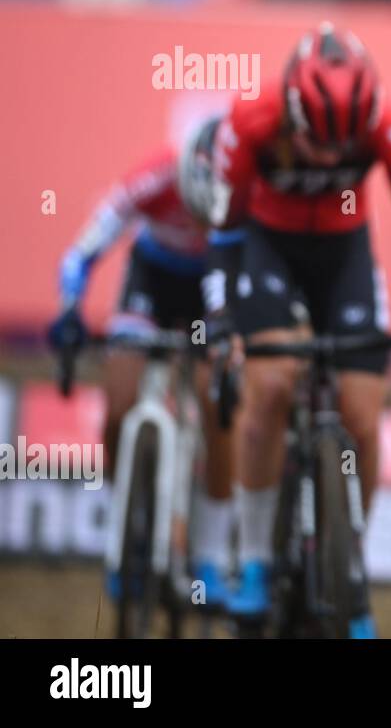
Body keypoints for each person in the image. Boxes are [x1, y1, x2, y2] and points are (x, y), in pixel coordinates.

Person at [205, 22, 391, 636]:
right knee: (270, 387)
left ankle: (351, 559)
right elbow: (223, 236)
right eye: (315, 142)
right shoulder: (248, 121)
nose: (329, 158)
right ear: (289, 111)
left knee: (363, 416)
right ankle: (257, 559)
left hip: (344, 256)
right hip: (268, 252)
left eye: (343, 148)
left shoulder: (386, 123)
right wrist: (223, 318)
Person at [48, 119, 235, 605]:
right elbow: (85, 247)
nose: (196, 224)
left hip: (208, 293)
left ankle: (209, 557)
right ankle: (124, 521)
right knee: (119, 403)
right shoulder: (156, 174)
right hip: (150, 283)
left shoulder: (242, 187)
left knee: (220, 411)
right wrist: (70, 306)